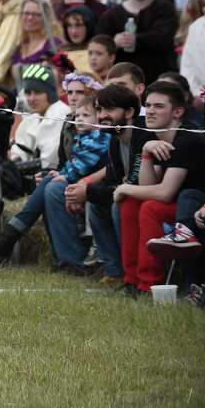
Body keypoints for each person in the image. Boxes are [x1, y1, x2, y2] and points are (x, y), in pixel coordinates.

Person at [0, 97, 108, 271]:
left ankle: (8, 238)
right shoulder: (77, 131)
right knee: (48, 181)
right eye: (78, 115)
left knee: (52, 185)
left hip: (97, 183)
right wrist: (60, 173)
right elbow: (72, 163)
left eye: (86, 115)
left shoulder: (96, 137)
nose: (80, 119)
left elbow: (82, 164)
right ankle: (9, 240)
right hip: (82, 178)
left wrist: (64, 176)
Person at [114, 83, 205, 294]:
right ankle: (131, 280)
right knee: (131, 203)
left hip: (197, 206)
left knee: (150, 207)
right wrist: (147, 153)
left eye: (158, 106)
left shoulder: (188, 139)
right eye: (147, 105)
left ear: (177, 112)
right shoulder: (158, 137)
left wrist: (123, 188)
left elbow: (164, 192)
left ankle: (148, 285)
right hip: (177, 203)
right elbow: (149, 186)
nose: (149, 111)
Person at [65, 84, 146, 286]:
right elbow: (113, 181)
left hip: (151, 197)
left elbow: (133, 184)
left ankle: (133, 277)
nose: (102, 116)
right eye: (99, 110)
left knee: (119, 205)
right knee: (96, 204)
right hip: (128, 193)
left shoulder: (143, 135)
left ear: (129, 112)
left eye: (109, 109)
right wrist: (84, 192)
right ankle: (114, 271)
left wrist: (88, 191)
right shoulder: (115, 139)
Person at [95, 0, 178, 84]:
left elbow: (163, 37)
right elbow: (98, 44)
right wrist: (113, 44)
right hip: (122, 84)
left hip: (159, 82)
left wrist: (136, 40)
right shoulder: (110, 15)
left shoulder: (165, 8)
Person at [8, 64, 69, 170]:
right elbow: (20, 151)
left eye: (37, 92)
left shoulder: (60, 113)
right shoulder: (34, 117)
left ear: (50, 93)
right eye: (28, 93)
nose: (31, 98)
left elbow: (49, 161)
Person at [11, 0, 63, 84]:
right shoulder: (18, 45)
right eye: (26, 13)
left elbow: (57, 79)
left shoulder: (53, 45)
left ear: (46, 17)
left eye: (36, 14)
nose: (30, 18)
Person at [60, 5, 97, 73]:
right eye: (69, 26)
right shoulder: (60, 52)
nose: (73, 31)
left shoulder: (98, 50)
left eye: (78, 25)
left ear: (89, 27)